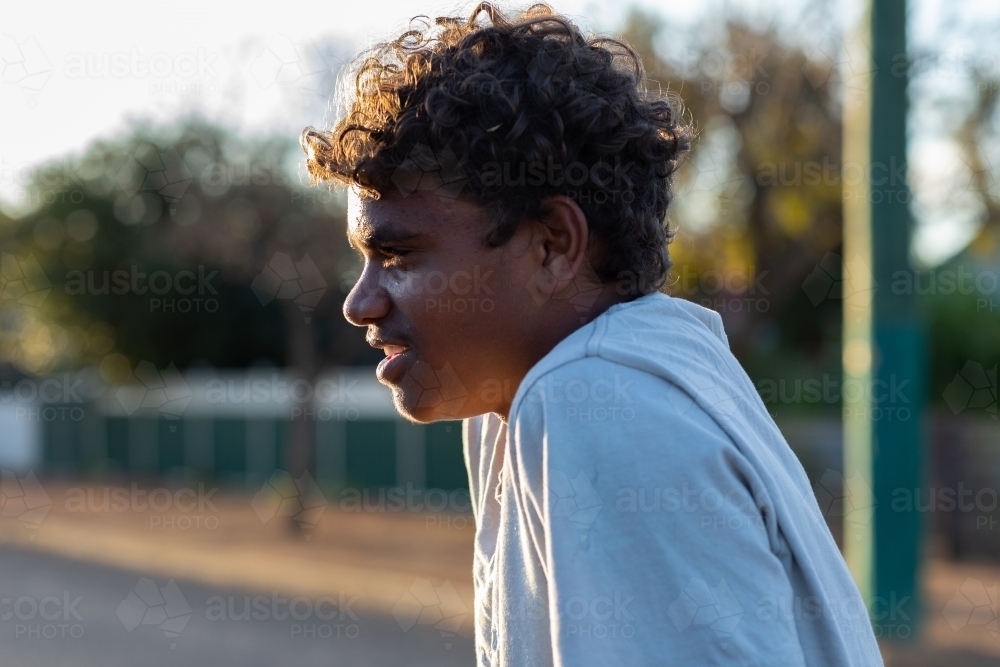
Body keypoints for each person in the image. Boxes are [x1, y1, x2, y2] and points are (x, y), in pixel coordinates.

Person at [301, 3, 884, 665]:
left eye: (400, 255)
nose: (359, 302)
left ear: (553, 244)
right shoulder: (535, 398)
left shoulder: (600, 398)